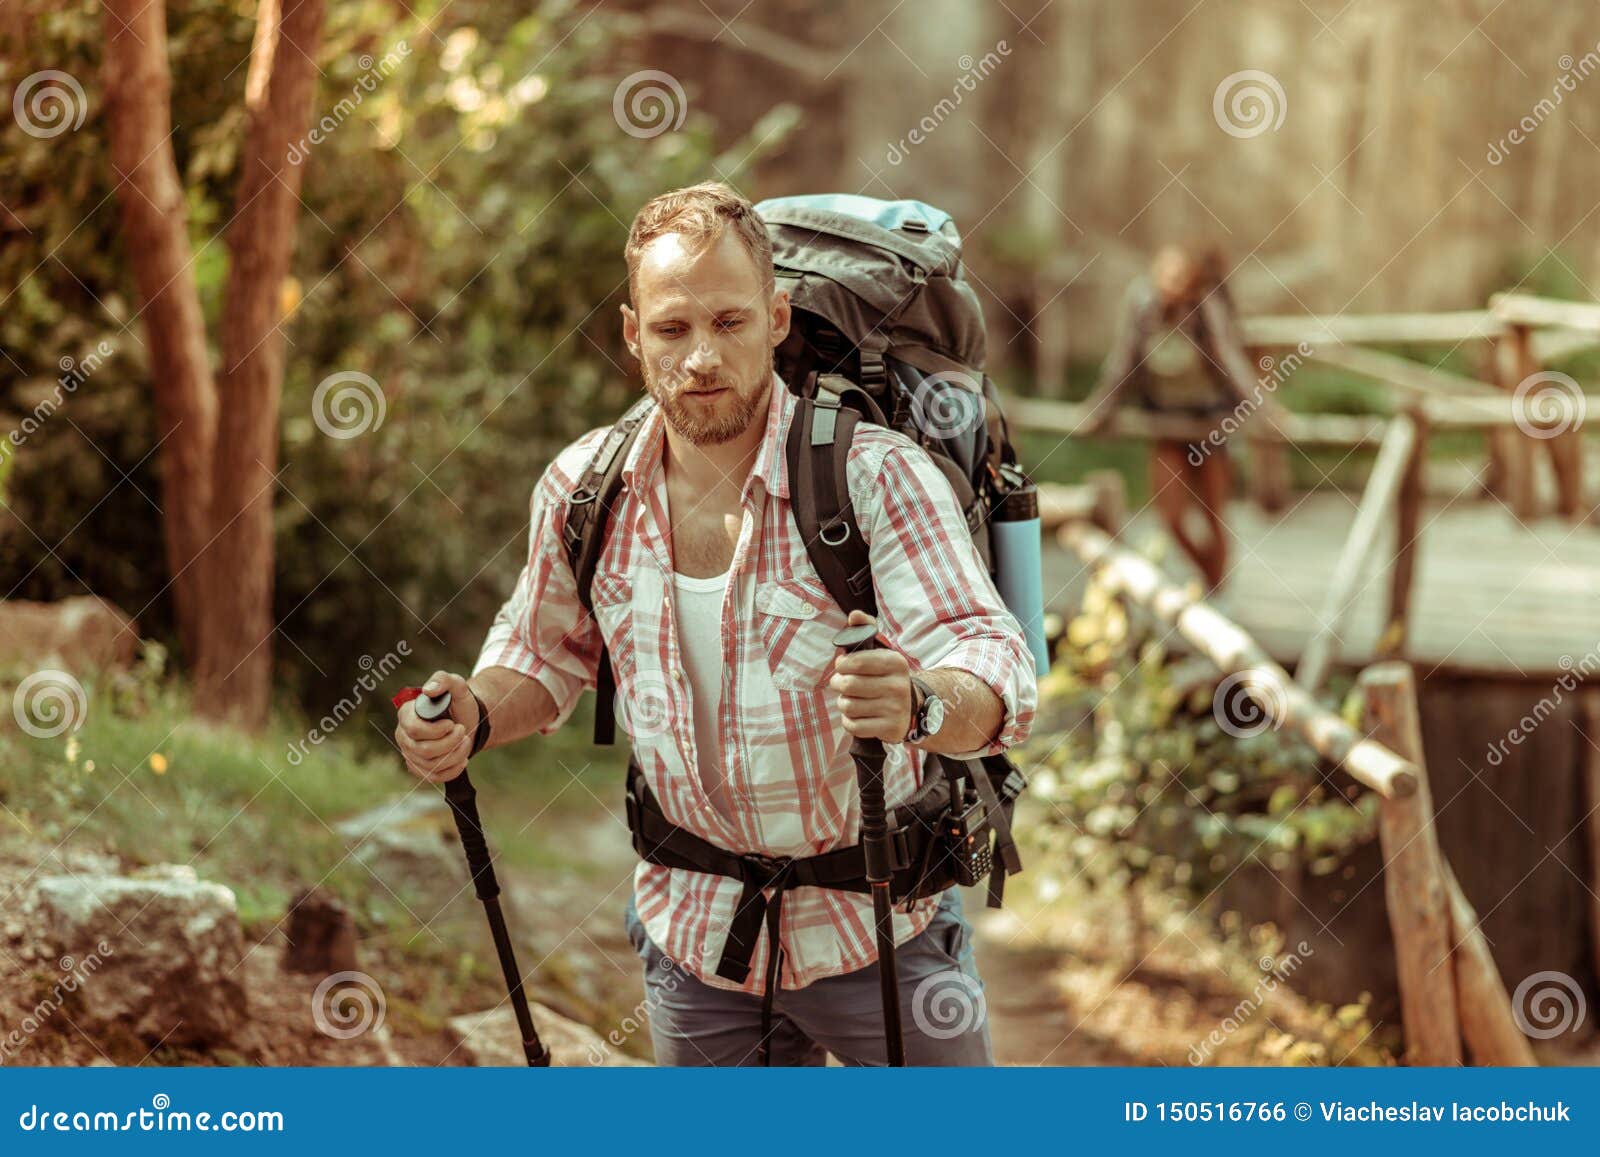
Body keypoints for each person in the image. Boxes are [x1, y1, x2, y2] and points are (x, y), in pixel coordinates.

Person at [394, 182, 1037, 1066]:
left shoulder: (876, 478)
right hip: (696, 944)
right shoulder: (585, 490)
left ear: (777, 317)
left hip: (883, 930)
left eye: (730, 322)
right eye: (672, 328)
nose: (700, 356)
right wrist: (471, 714)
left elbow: (994, 660)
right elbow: (540, 658)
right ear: (633, 333)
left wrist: (921, 701)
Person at [1079, 244, 1272, 592]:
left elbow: (1229, 360)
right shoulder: (1142, 305)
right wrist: (1099, 407)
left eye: (1181, 278)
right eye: (1167, 275)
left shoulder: (1205, 308)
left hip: (1209, 420)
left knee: (1213, 513)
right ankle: (1210, 578)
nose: (1173, 284)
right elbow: (1124, 360)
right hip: (1166, 419)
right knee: (1170, 516)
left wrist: (1264, 408)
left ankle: (1217, 589)